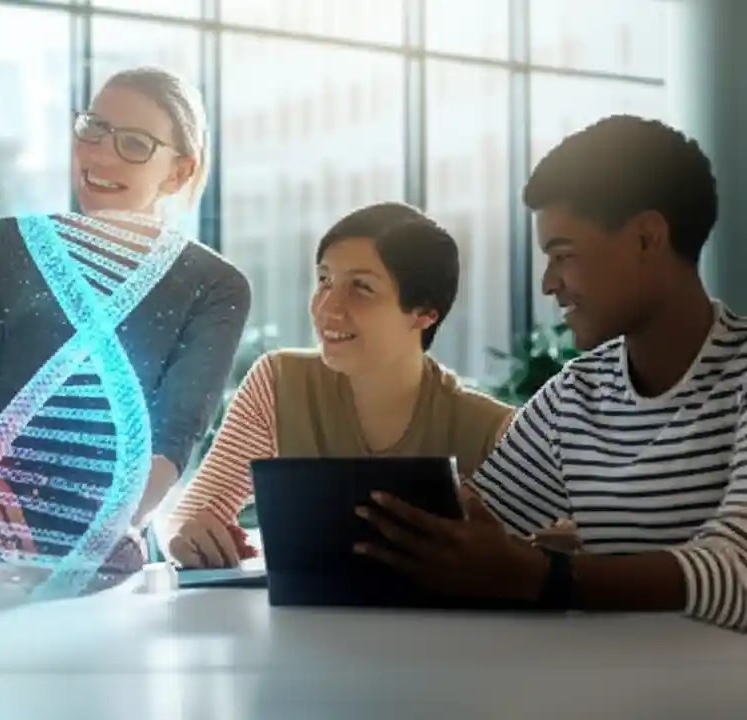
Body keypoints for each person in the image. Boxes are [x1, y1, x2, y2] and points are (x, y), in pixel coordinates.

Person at [355, 115, 747, 632]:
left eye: (562, 255)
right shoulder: (575, 396)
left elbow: (738, 570)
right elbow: (475, 520)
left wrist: (546, 577)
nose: (548, 283)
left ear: (648, 238)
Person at [0, 66, 250, 570]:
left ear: (179, 172)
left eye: (134, 143)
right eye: (94, 129)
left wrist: (111, 528)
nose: (101, 154)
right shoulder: (10, 243)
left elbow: (175, 433)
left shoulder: (214, 285)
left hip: (110, 552)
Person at [164, 203, 514, 568]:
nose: (327, 307)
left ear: (424, 313)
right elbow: (191, 515)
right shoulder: (278, 384)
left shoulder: (493, 431)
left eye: (362, 287)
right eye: (325, 280)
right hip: (299, 623)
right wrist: (190, 537)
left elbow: (531, 558)